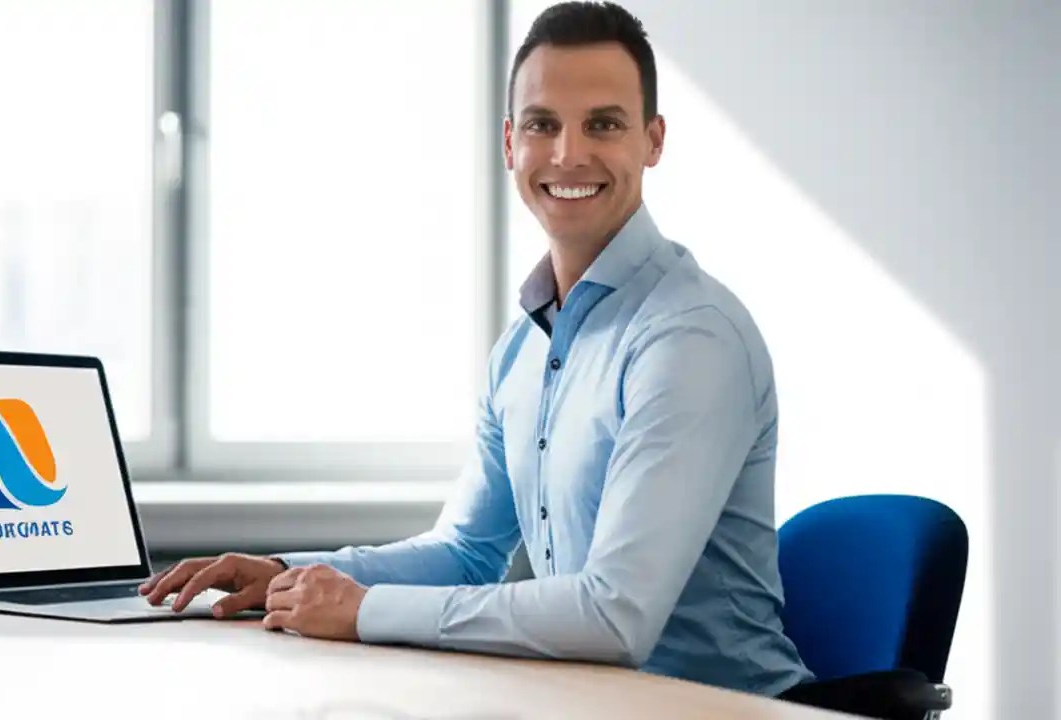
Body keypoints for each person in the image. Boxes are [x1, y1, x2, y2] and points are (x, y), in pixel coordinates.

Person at [141, 1, 814, 697]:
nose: (568, 155)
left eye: (603, 125)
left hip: (726, 711)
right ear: (508, 145)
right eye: (542, 125)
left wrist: (364, 611)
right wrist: (289, 574)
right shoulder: (523, 350)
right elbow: (467, 554)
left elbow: (616, 616)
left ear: (654, 140)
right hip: (594, 706)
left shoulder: (688, 339)